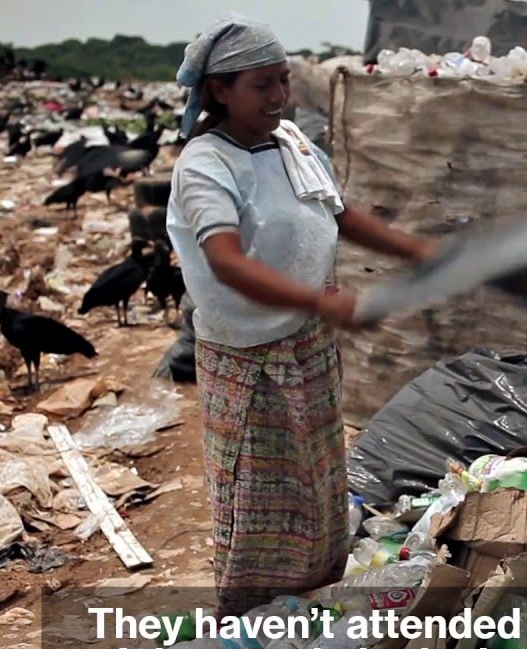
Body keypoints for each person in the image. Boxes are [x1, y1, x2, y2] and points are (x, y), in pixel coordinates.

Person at [168, 15, 436, 618]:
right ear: (219, 89)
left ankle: (312, 599)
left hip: (305, 344)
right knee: (260, 494)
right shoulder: (206, 163)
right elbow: (226, 261)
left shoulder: (291, 142)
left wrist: (416, 248)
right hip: (249, 357)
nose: (279, 96)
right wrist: (319, 300)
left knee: (316, 481)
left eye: (283, 80)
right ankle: (249, 619)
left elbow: (337, 212)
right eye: (262, 84)